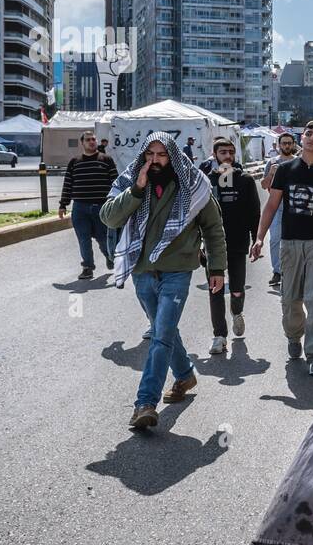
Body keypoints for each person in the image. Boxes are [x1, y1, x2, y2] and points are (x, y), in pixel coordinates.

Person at [100, 132, 227, 430]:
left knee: (160, 335)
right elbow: (108, 218)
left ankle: (145, 403)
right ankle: (184, 374)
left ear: (172, 156)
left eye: (161, 155)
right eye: (149, 155)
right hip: (142, 271)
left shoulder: (193, 185)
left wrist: (217, 268)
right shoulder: (131, 180)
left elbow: (213, 228)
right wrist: (136, 190)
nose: (155, 161)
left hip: (178, 270)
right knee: (163, 329)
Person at [250, 120, 313, 377]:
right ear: (301, 138)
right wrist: (259, 238)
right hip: (290, 243)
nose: (312, 138)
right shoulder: (284, 170)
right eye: (309, 134)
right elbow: (271, 206)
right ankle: (294, 336)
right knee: (290, 299)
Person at [204, 139, 260, 355]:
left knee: (237, 288)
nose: (227, 156)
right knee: (215, 289)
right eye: (222, 152)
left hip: (237, 242)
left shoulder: (245, 180)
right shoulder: (207, 181)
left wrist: (257, 239)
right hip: (211, 245)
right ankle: (219, 335)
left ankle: (237, 312)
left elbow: (255, 213)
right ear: (214, 154)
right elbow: (196, 215)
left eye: (230, 152)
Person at [58, 130, 118, 280]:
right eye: (88, 140)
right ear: (82, 143)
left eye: (93, 139)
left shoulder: (106, 160)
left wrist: (117, 203)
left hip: (102, 208)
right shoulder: (74, 162)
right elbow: (68, 184)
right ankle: (87, 268)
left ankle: (110, 257)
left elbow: (116, 183)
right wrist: (63, 204)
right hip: (80, 208)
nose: (92, 142)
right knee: (83, 239)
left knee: (103, 239)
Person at [261, 132, 298, 289]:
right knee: (275, 239)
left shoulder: (299, 162)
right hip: (277, 205)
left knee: (296, 239)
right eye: (284, 143)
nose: (287, 146)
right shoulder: (272, 162)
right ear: (279, 144)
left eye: (289, 143)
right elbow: (263, 185)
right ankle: (277, 271)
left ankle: (294, 271)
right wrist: (271, 173)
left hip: (296, 206)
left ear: (294, 144)